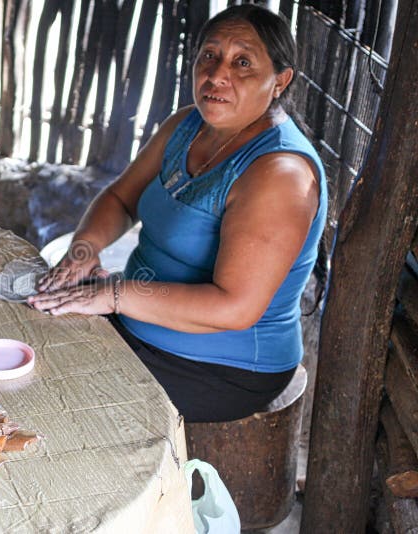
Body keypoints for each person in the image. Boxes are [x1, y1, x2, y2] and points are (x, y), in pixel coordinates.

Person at [27, 5, 327, 423]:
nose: (217, 74)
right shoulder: (186, 125)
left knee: (58, 393)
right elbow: (120, 199)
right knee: (28, 336)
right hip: (136, 317)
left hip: (223, 366)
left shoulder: (280, 174)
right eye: (209, 55)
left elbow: (234, 308)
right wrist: (83, 252)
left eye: (242, 62)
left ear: (280, 81)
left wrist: (114, 294)